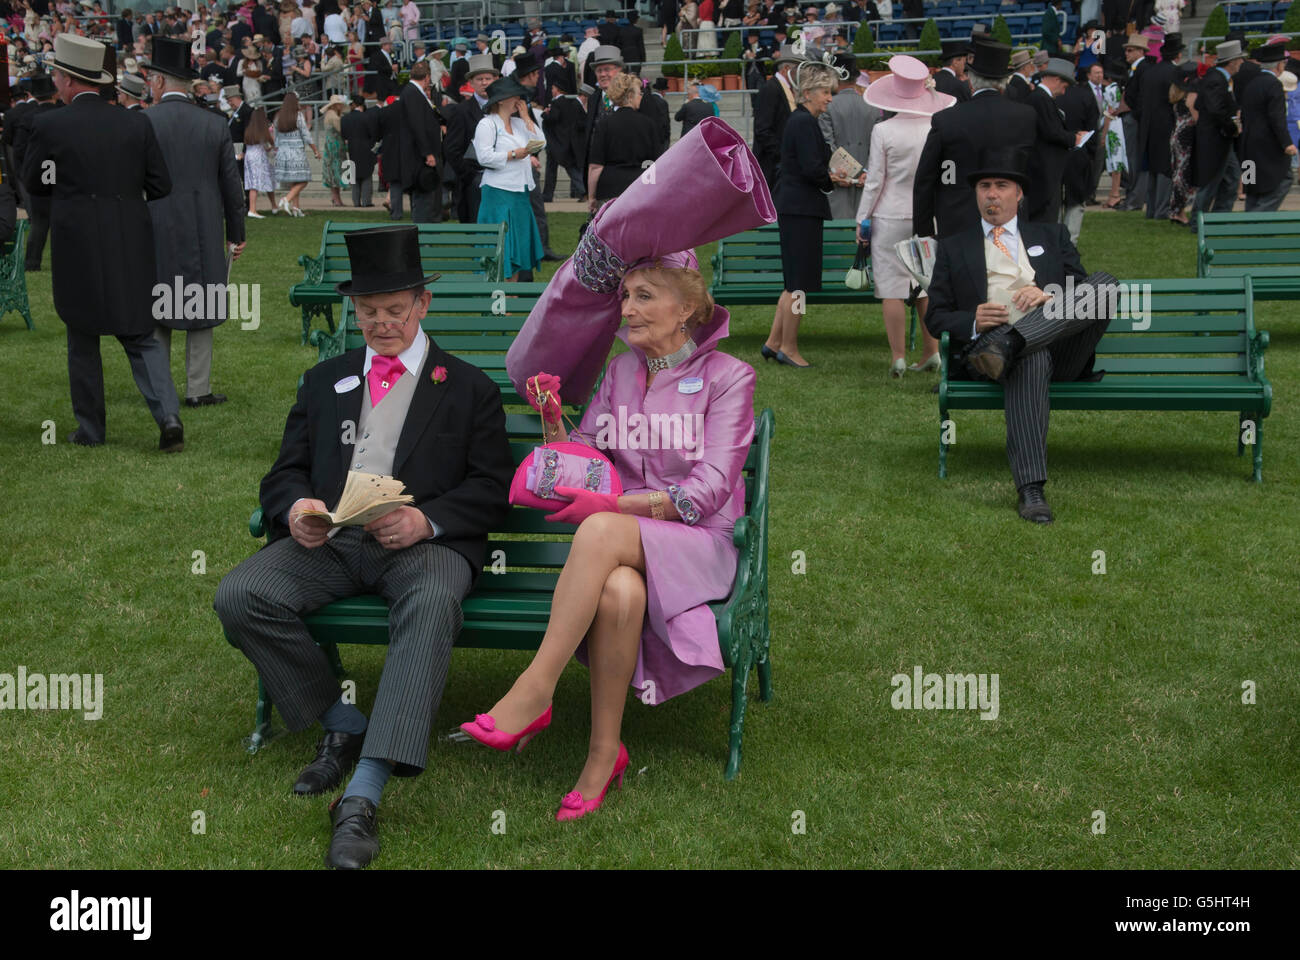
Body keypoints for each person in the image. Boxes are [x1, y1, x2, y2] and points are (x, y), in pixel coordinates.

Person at [214, 225, 514, 870]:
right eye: (369, 312)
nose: (381, 324)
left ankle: (364, 792)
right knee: (241, 595)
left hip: (422, 549)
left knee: (432, 603)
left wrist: (426, 522)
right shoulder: (325, 380)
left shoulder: (468, 388)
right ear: (355, 311)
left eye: (395, 311)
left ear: (422, 305)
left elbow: (493, 489)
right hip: (332, 543)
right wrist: (295, 508)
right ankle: (342, 722)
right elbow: (284, 471)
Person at [459, 251, 756, 823]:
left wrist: (616, 506)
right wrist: (552, 421)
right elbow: (591, 453)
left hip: (701, 544)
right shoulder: (620, 371)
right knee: (620, 591)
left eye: (645, 295)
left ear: (687, 308)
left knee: (599, 529)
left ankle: (536, 687)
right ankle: (603, 754)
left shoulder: (729, 378)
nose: (628, 308)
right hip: (625, 546)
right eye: (625, 296)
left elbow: (710, 490)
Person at [926, 147, 1114, 524]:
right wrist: (973, 322)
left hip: (1059, 346)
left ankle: (1013, 342)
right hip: (989, 355)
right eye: (984, 186)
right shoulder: (953, 246)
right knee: (1031, 356)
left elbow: (1083, 287)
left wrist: (1051, 296)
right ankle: (1031, 490)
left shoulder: (1052, 234)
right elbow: (937, 317)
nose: (991, 193)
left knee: (1106, 285)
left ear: (1019, 194)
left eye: (1001, 185)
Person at [22, 33, 182, 452]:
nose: (55, 80)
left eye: (57, 74)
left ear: (70, 81)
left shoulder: (51, 124)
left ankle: (90, 430)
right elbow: (160, 184)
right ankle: (168, 416)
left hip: (77, 243)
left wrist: (70, 186)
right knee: (141, 336)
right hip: (129, 238)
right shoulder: (135, 122)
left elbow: (36, 182)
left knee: (82, 336)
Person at [144, 36, 247, 411]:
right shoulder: (214, 124)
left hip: (154, 223)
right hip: (203, 225)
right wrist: (237, 233)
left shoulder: (143, 121)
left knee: (158, 307)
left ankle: (159, 388)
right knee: (201, 306)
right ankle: (197, 388)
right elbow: (231, 187)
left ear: (158, 82)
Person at [855, 54, 951, 377]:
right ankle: (931, 351)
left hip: (889, 215)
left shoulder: (883, 130)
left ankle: (898, 355)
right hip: (927, 216)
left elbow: (875, 181)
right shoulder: (936, 127)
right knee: (924, 284)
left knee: (892, 288)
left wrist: (861, 219)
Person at [913, 38, 1036, 239]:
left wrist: (924, 233)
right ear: (1005, 81)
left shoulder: (946, 119)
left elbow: (926, 180)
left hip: (957, 223)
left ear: (970, 79)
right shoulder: (1026, 116)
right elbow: (1033, 171)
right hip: (1010, 219)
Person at [761, 59, 838, 369]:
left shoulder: (799, 120)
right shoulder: (804, 122)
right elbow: (812, 168)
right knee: (799, 285)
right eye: (825, 91)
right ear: (807, 92)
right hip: (801, 207)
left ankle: (774, 342)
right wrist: (834, 179)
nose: (830, 97)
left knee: (793, 281)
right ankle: (789, 348)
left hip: (795, 206)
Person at [475, 76, 544, 280]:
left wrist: (526, 117)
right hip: (498, 192)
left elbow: (541, 142)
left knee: (518, 248)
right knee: (501, 248)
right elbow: (484, 156)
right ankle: (498, 297)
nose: (519, 100)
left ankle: (511, 297)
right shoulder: (486, 124)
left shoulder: (519, 122)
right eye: (515, 96)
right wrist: (513, 154)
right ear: (502, 100)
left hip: (520, 193)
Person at [588, 71, 661, 212]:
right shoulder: (648, 124)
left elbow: (596, 167)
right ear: (630, 95)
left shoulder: (605, 124)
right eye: (639, 93)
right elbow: (653, 164)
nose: (641, 97)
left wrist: (592, 197)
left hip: (609, 189)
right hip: (640, 189)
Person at [1239, 42, 1297, 212]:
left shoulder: (1251, 83)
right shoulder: (1274, 85)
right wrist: (1287, 143)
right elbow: (1276, 118)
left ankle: (1249, 220)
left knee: (1251, 185)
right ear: (1279, 65)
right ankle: (1259, 218)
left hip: (1247, 144)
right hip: (1267, 145)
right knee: (1285, 178)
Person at [9, 71, 58, 272]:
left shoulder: (28, 117)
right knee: (61, 222)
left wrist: (25, 173)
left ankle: (32, 262)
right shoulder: (61, 113)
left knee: (39, 221)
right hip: (60, 173)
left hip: (36, 175)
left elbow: (18, 150)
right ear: (54, 93)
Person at [1024, 58, 1083, 224]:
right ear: (1057, 80)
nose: (1064, 92)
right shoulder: (1040, 99)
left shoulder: (1041, 98)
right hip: (1043, 170)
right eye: (1064, 87)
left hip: (1047, 169)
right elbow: (1051, 132)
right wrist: (1074, 138)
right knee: (1045, 216)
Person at [820, 52, 878, 220]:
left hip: (840, 178)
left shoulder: (828, 107)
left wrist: (842, 171)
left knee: (837, 236)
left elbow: (827, 144)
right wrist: (865, 170)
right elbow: (877, 146)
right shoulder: (872, 107)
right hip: (865, 179)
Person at [444, 52, 497, 223]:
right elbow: (452, 149)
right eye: (479, 79)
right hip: (474, 184)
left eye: (488, 78)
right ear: (471, 83)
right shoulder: (461, 111)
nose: (484, 83)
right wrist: (471, 176)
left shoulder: (504, 108)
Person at [1194, 39, 1244, 216]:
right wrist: (1232, 125)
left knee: (1232, 177)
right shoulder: (1216, 80)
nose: (1241, 63)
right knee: (1211, 181)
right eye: (1239, 60)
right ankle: (1198, 220)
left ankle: (1219, 217)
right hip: (1215, 139)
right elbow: (1216, 110)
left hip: (1221, 138)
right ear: (1231, 62)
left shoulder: (1219, 79)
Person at [1059, 64, 1102, 242]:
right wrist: (1090, 154)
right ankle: (1071, 242)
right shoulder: (1085, 95)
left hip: (1056, 155)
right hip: (1078, 155)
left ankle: (1055, 240)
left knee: (1055, 203)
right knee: (1075, 202)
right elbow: (1093, 130)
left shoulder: (1048, 98)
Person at [752, 42, 801, 190]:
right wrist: (782, 154)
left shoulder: (788, 88)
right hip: (771, 166)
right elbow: (762, 130)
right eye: (799, 69)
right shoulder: (771, 89)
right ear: (787, 69)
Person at [274, 91, 320, 216]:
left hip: (282, 153)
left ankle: (296, 208)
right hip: (296, 152)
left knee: (294, 181)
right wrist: (315, 150)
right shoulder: (298, 116)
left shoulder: (278, 116)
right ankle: (286, 199)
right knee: (304, 180)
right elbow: (306, 135)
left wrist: (276, 151)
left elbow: (276, 137)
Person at [543, 75, 588, 200]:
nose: (551, 90)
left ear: (557, 89)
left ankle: (584, 191)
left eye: (552, 88)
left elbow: (553, 118)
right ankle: (548, 194)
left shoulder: (557, 103)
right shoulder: (569, 103)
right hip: (564, 143)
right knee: (567, 169)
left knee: (564, 170)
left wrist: (545, 114)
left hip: (557, 144)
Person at [1167, 61, 1197, 224]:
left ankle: (1176, 209)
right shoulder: (1189, 96)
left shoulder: (1176, 95)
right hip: (1186, 136)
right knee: (1183, 173)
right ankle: (1178, 209)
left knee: (1178, 171)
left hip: (1177, 135)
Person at [341, 92, 377, 206]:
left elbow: (344, 134)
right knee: (366, 175)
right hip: (366, 148)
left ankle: (356, 202)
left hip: (352, 148)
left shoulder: (345, 119)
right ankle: (367, 201)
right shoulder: (368, 117)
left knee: (354, 176)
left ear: (354, 104)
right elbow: (374, 134)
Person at [243, 105, 277, 217]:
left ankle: (273, 205)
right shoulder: (263, 130)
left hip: (249, 155)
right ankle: (252, 210)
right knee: (256, 183)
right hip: (258, 157)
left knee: (255, 181)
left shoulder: (249, 129)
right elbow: (272, 142)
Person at [321, 93, 348, 206]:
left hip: (330, 145)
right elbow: (341, 130)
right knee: (336, 171)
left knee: (332, 171)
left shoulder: (329, 114)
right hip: (335, 146)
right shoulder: (334, 117)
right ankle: (336, 198)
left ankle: (335, 197)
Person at [934, 39, 971, 103]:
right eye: (964, 63)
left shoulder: (931, 79)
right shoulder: (960, 85)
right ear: (956, 62)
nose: (964, 67)